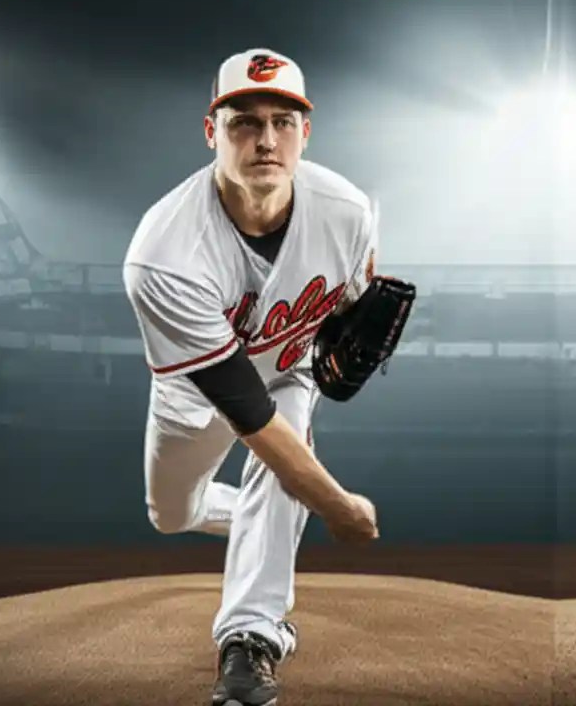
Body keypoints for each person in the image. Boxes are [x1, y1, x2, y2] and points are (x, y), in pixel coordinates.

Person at [122, 48, 382, 704]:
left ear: (305, 133)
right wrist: (334, 505)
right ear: (212, 132)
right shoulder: (164, 254)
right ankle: (274, 517)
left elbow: (356, 296)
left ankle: (250, 639)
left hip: (288, 372)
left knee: (289, 435)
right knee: (171, 514)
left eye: (284, 121)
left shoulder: (347, 210)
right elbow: (246, 411)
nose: (266, 138)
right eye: (244, 121)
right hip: (196, 394)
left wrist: (352, 319)